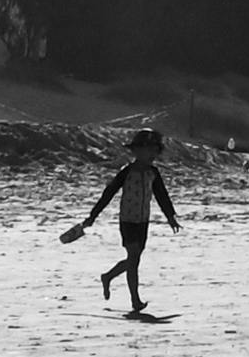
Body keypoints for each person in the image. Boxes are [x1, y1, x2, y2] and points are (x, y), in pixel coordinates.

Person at [66, 124, 187, 316]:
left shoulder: (153, 173)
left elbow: (162, 196)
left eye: (155, 152)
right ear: (136, 150)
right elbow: (108, 194)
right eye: (149, 151)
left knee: (134, 259)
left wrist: (171, 217)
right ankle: (135, 300)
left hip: (143, 222)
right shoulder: (126, 172)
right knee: (133, 257)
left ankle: (107, 277)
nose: (152, 155)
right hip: (128, 221)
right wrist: (92, 216)